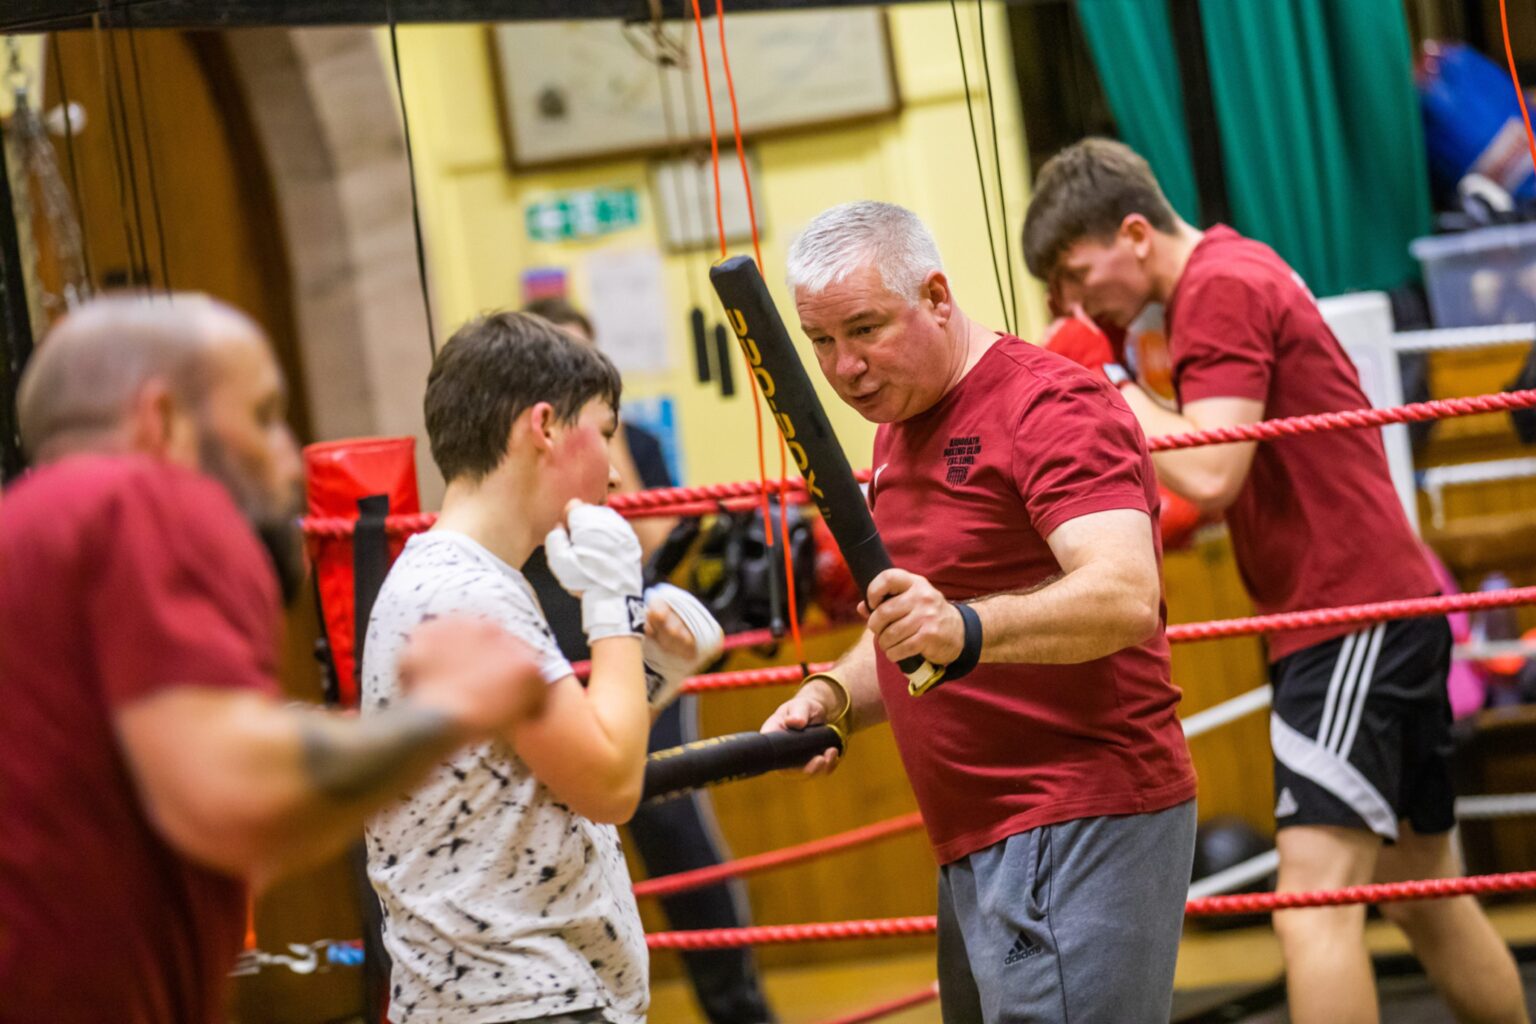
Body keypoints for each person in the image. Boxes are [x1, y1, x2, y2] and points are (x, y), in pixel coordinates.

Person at [1023, 137, 1529, 1024]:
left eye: (1073, 273)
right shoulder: (1232, 271)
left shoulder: (1217, 287)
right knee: (1427, 897)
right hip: (1379, 607)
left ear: (1133, 233)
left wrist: (1100, 384)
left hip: (1348, 619)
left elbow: (1213, 469)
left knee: (1311, 912)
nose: (1070, 302)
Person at [0, 294, 548, 1024]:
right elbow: (232, 796)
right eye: (262, 416)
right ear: (163, 422)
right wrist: (449, 710)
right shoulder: (139, 498)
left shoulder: (34, 540)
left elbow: (228, 826)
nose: (291, 456)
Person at [763, 200, 1198, 1022]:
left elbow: (1125, 593)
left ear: (935, 296)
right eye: (820, 341)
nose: (844, 366)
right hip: (975, 833)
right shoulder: (899, 424)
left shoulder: (1048, 407)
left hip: (1076, 815)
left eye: (864, 329)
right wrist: (832, 695)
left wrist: (963, 628)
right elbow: (916, 624)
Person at [361, 311, 723, 1024]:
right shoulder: (466, 596)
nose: (614, 471)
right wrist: (614, 603)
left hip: (518, 995)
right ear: (546, 427)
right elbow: (611, 788)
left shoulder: (470, 580)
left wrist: (648, 673)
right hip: (517, 999)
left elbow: (565, 766)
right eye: (605, 432)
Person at [522, 297, 778, 1024]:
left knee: (673, 826)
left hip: (637, 651)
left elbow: (659, 536)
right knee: (559, 838)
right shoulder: (524, 453)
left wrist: (604, 437)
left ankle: (739, 1010)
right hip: (554, 659)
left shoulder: (629, 439)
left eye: (585, 363)